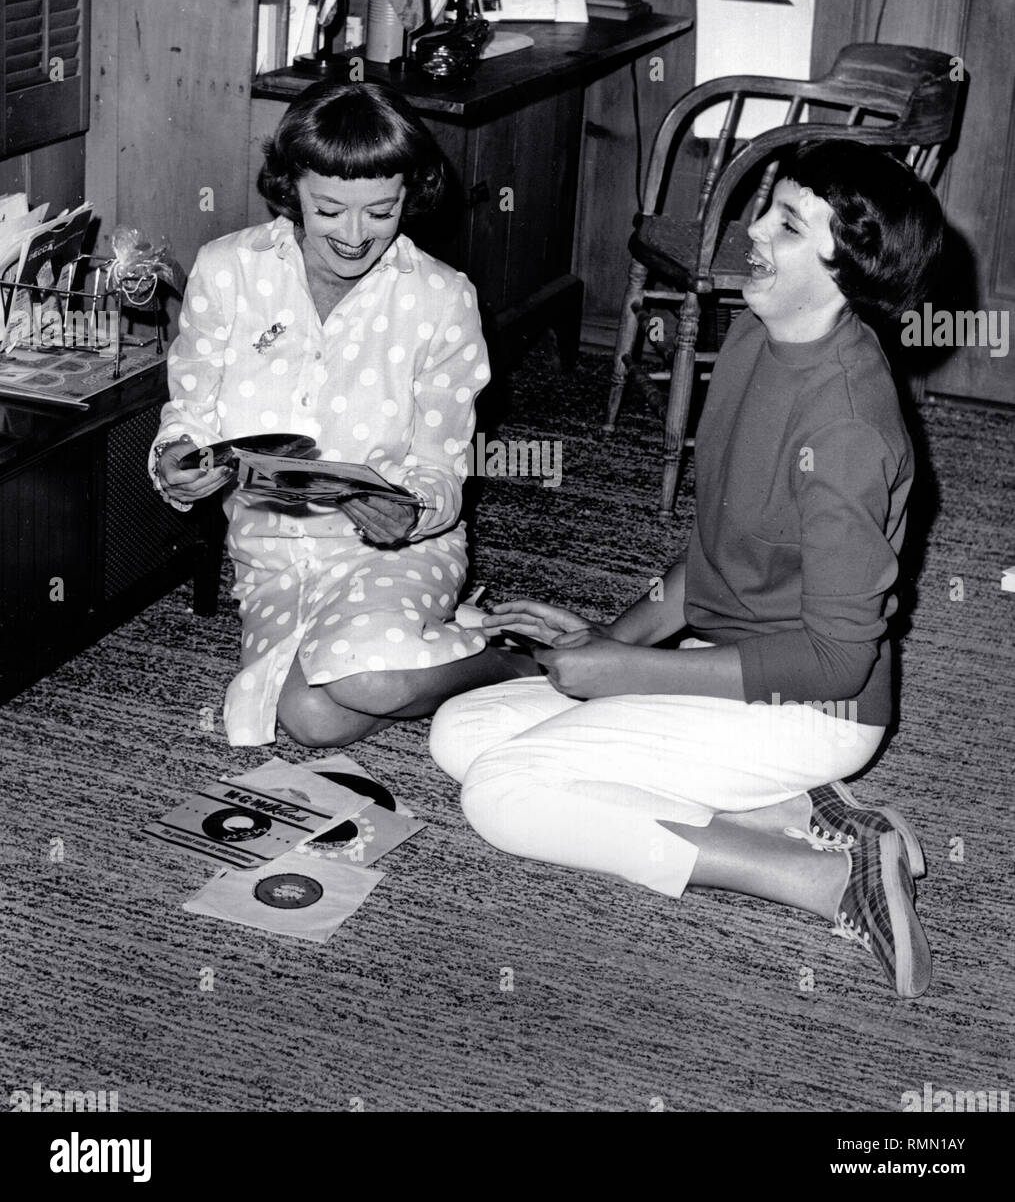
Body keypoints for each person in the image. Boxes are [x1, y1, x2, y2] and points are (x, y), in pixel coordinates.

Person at [430, 139, 944, 999]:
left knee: (501, 794)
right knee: (461, 733)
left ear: (847, 270)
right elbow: (719, 551)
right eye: (765, 208)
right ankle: (794, 808)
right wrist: (611, 642)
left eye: (787, 224)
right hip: (731, 663)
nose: (752, 231)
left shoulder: (847, 430)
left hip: (814, 706)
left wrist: (628, 672)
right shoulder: (753, 332)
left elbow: (836, 660)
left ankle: (823, 877)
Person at [150, 81, 529, 749]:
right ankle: (439, 647)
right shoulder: (228, 270)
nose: (355, 237)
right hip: (272, 557)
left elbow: (441, 468)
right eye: (329, 209)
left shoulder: (442, 298)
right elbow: (188, 416)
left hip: (397, 550)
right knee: (313, 720)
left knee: (368, 679)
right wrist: (177, 463)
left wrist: (410, 510)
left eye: (381, 212)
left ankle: (516, 661)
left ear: (410, 194)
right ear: (290, 187)